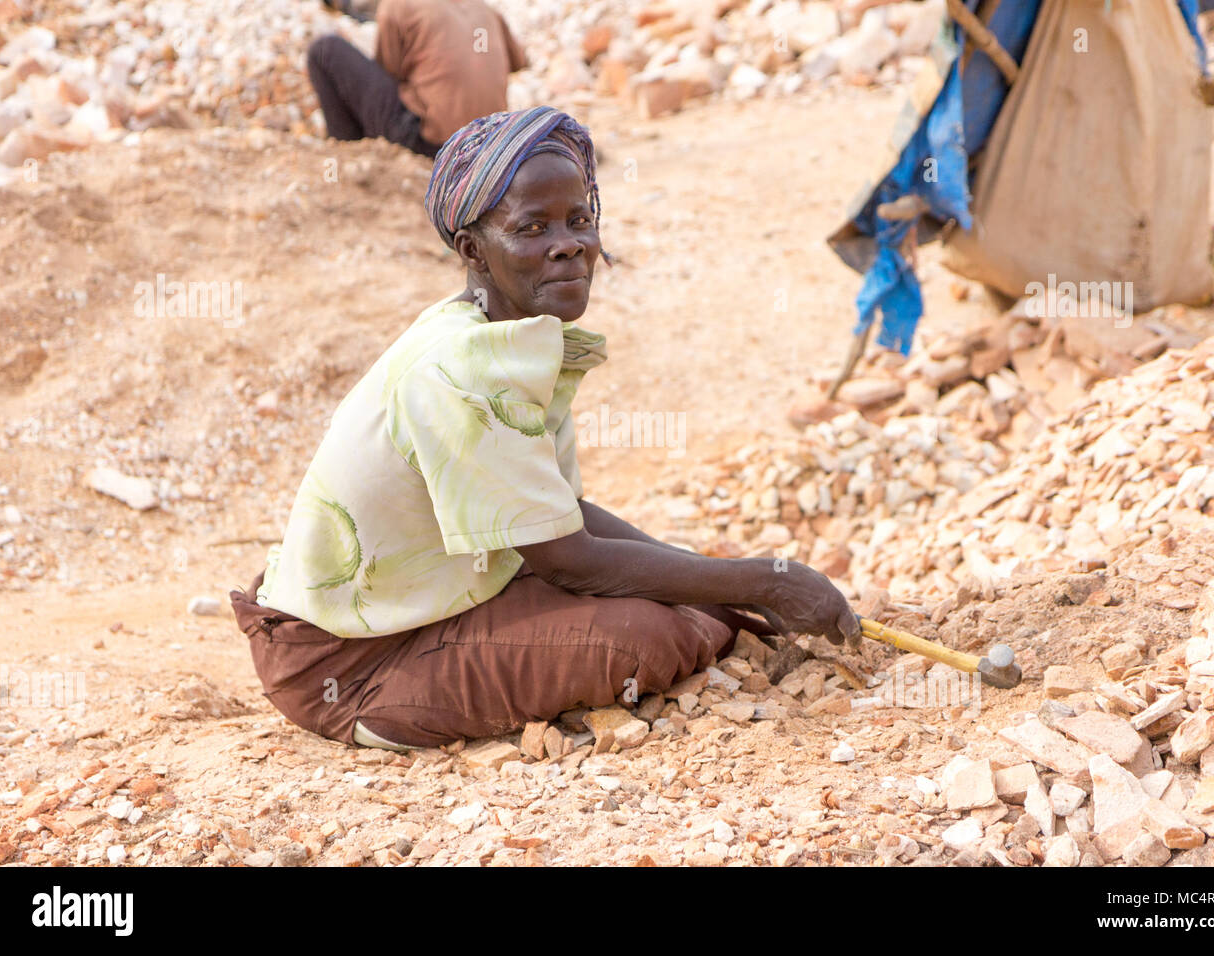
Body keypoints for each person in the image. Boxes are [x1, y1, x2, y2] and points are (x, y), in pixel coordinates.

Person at [229, 106, 860, 752]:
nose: (570, 244)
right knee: (650, 638)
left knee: (690, 606)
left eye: (579, 220)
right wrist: (765, 582)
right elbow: (572, 560)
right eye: (533, 228)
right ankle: (388, 710)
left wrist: (717, 580)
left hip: (437, 599)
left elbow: (566, 516)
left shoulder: (511, 340)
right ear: (473, 250)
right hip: (346, 661)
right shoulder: (461, 368)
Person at [306, 0, 527, 158]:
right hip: (489, 142)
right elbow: (520, 62)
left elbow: (389, 71)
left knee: (324, 51)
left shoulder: (399, 5)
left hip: (431, 142)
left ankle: (347, 155)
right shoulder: (485, 9)